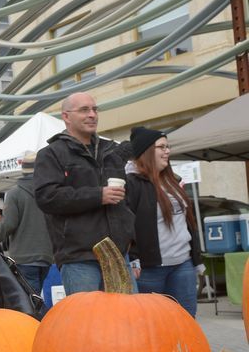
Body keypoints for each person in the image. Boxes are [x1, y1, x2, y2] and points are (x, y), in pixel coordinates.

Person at [34, 92, 134, 295]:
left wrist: (129, 238)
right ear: (66, 116)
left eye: (95, 109)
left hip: (118, 254)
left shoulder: (111, 151)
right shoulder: (51, 154)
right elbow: (47, 197)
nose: (92, 115)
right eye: (84, 110)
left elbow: (127, 199)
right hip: (79, 257)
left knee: (128, 315)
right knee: (88, 315)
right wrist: (98, 195)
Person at [125, 127, 203, 317]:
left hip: (183, 264)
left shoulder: (172, 181)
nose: (167, 151)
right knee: (152, 324)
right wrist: (133, 259)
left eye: (168, 147)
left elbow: (188, 224)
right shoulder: (132, 183)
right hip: (150, 269)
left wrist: (196, 258)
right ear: (146, 151)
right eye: (161, 147)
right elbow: (126, 225)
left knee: (186, 321)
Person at [0, 152, 53, 294]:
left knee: (29, 299)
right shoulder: (49, 192)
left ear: (23, 171)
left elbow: (9, 224)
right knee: (36, 296)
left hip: (24, 257)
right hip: (47, 255)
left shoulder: (14, 193)